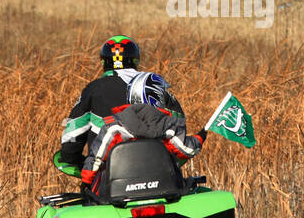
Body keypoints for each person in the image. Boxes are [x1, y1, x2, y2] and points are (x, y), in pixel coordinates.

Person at [78, 71, 207, 200]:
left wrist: (86, 182)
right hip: (165, 191)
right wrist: (201, 136)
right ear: (157, 95)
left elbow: (96, 157)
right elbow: (186, 150)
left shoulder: (114, 127)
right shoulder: (169, 126)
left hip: (119, 196)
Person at [56, 36, 143, 174]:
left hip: (107, 174)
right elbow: (177, 124)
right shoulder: (155, 85)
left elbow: (73, 130)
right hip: (156, 171)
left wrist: (70, 157)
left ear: (103, 61)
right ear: (135, 60)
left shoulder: (94, 89)